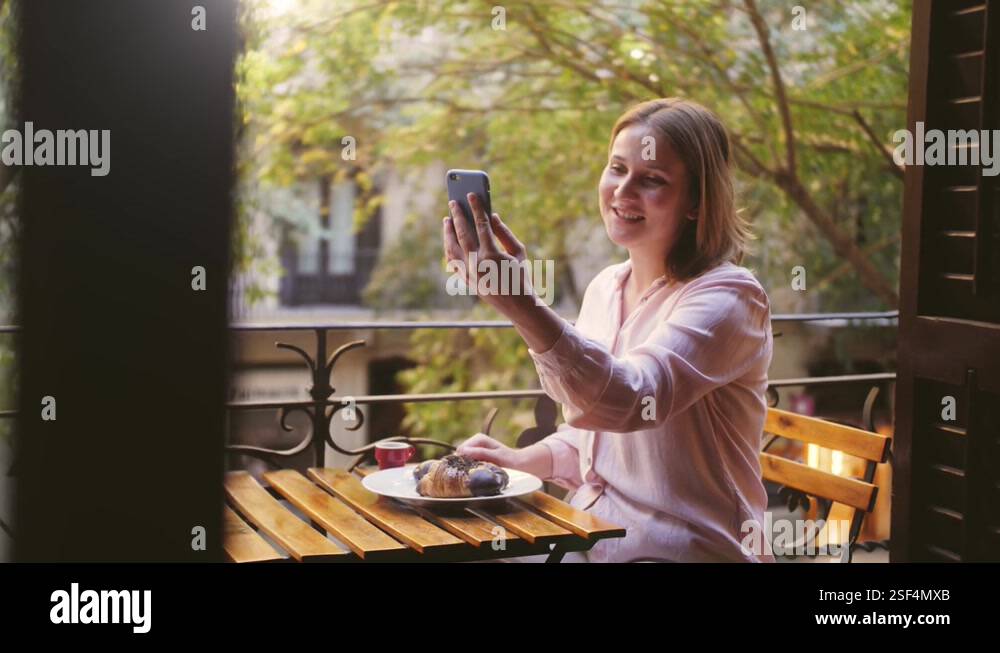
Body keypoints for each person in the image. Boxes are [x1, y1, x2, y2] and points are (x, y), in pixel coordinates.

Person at [441, 98, 774, 563]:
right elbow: (594, 436)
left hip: (685, 551)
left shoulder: (730, 298)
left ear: (698, 202)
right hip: (593, 537)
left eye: (652, 179)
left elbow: (630, 399)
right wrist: (519, 460)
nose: (623, 191)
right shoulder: (605, 287)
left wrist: (523, 306)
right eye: (617, 168)